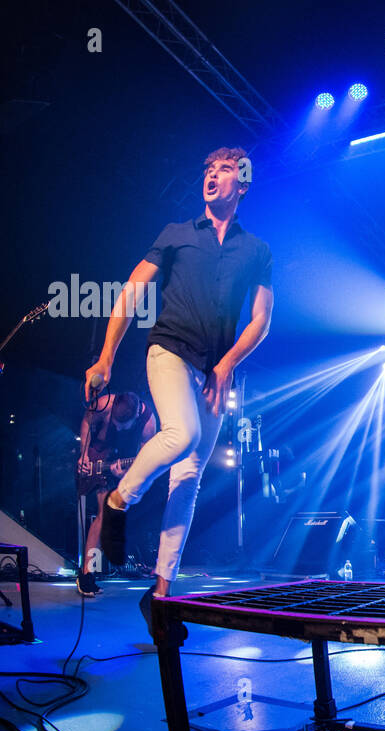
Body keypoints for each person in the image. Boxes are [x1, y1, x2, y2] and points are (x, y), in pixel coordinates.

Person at [83, 147, 273, 630]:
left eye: (224, 170)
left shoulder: (257, 251)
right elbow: (130, 292)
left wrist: (227, 363)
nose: (212, 176)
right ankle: (119, 500)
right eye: (207, 169)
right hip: (168, 352)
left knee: (188, 478)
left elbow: (261, 321)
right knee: (182, 433)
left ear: (242, 185)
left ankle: (162, 597)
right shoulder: (176, 235)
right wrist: (106, 357)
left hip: (212, 372)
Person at [76, 391, 156, 595]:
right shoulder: (105, 404)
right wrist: (84, 453)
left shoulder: (148, 424)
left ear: (136, 416)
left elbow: (144, 461)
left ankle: (91, 571)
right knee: (103, 516)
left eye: (123, 424)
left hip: (125, 464)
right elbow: (87, 420)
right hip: (98, 457)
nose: (118, 427)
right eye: (116, 422)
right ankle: (86, 573)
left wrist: (125, 473)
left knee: (112, 519)